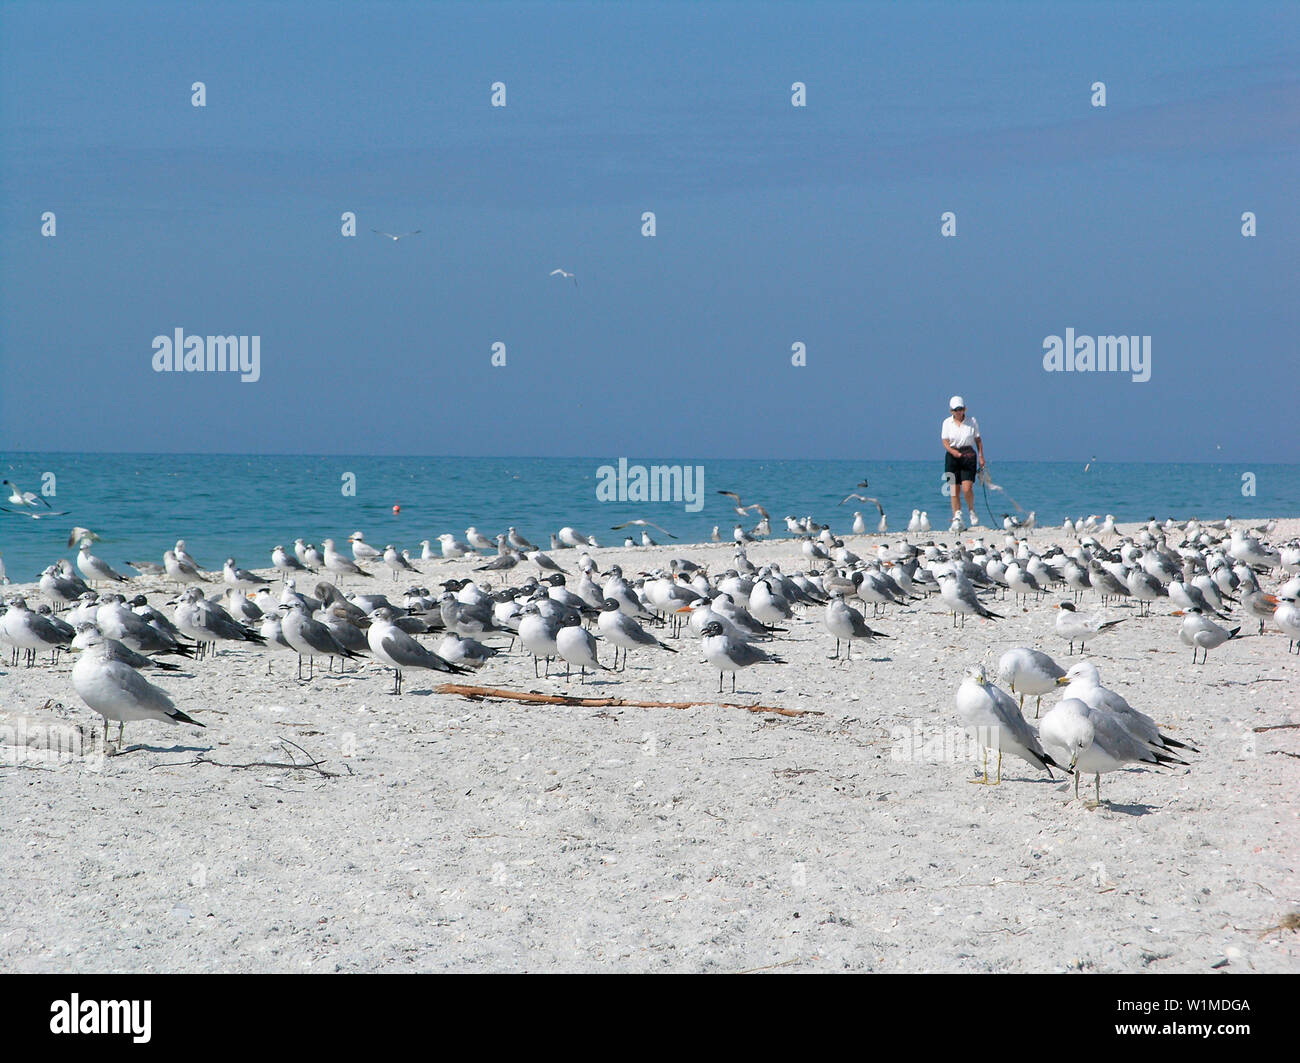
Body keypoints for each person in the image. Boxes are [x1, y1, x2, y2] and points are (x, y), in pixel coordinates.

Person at [941, 395, 984, 528]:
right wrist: (953, 452)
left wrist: (981, 456)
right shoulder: (947, 422)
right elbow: (945, 441)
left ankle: (971, 510)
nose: (958, 412)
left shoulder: (972, 421)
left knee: (967, 488)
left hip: (968, 454)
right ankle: (957, 516)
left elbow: (978, 439)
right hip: (952, 455)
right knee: (954, 490)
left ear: (964, 409)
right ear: (951, 411)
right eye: (955, 410)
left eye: (960, 409)